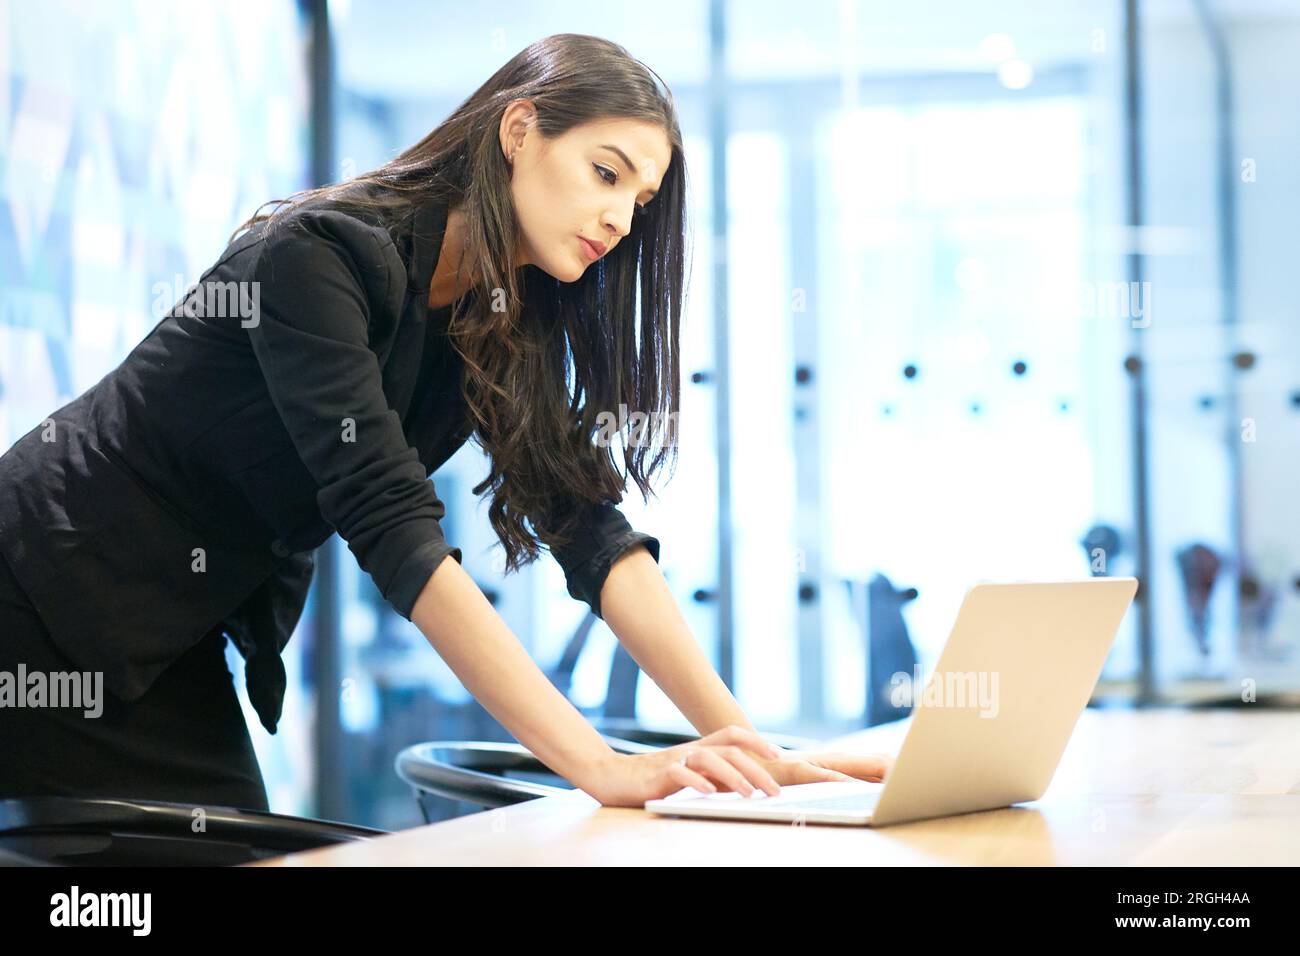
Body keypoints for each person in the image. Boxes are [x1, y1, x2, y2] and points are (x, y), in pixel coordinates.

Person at [0, 34, 891, 812]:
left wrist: (755, 752)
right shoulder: (319, 257)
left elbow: (591, 533)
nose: (621, 218)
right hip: (42, 583)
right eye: (606, 172)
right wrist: (600, 767)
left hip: (170, 628)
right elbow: (393, 528)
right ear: (518, 130)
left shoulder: (498, 319)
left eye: (640, 200)